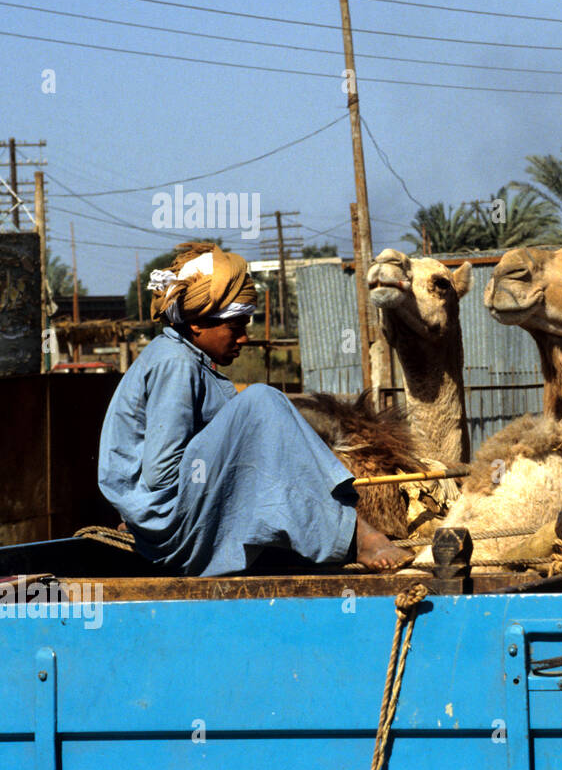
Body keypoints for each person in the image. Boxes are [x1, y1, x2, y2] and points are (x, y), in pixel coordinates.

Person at [98, 242, 411, 575]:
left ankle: (346, 527)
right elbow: (161, 476)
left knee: (260, 414)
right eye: (235, 328)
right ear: (196, 325)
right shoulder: (176, 364)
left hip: (163, 516)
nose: (244, 339)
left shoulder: (186, 358)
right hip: (170, 527)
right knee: (261, 401)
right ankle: (357, 533)